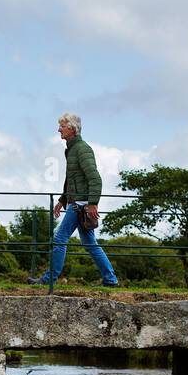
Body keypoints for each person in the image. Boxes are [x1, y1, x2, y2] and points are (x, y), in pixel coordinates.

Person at [30, 112, 119, 287]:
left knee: (59, 238)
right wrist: (63, 200)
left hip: (80, 204)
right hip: (77, 202)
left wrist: (92, 203)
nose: (58, 129)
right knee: (90, 243)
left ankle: (48, 281)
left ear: (72, 128)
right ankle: (110, 279)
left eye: (62, 126)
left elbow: (95, 178)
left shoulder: (82, 149)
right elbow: (71, 179)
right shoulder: (72, 149)